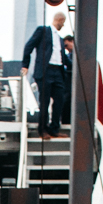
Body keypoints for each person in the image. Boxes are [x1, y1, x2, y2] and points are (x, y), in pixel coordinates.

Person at [21, 10, 71, 138]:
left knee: (59, 100)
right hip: (45, 71)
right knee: (45, 101)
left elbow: (64, 58)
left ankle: (54, 128)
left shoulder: (60, 40)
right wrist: (25, 65)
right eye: (63, 22)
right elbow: (29, 46)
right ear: (59, 20)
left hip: (58, 71)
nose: (63, 25)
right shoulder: (43, 31)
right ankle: (42, 129)